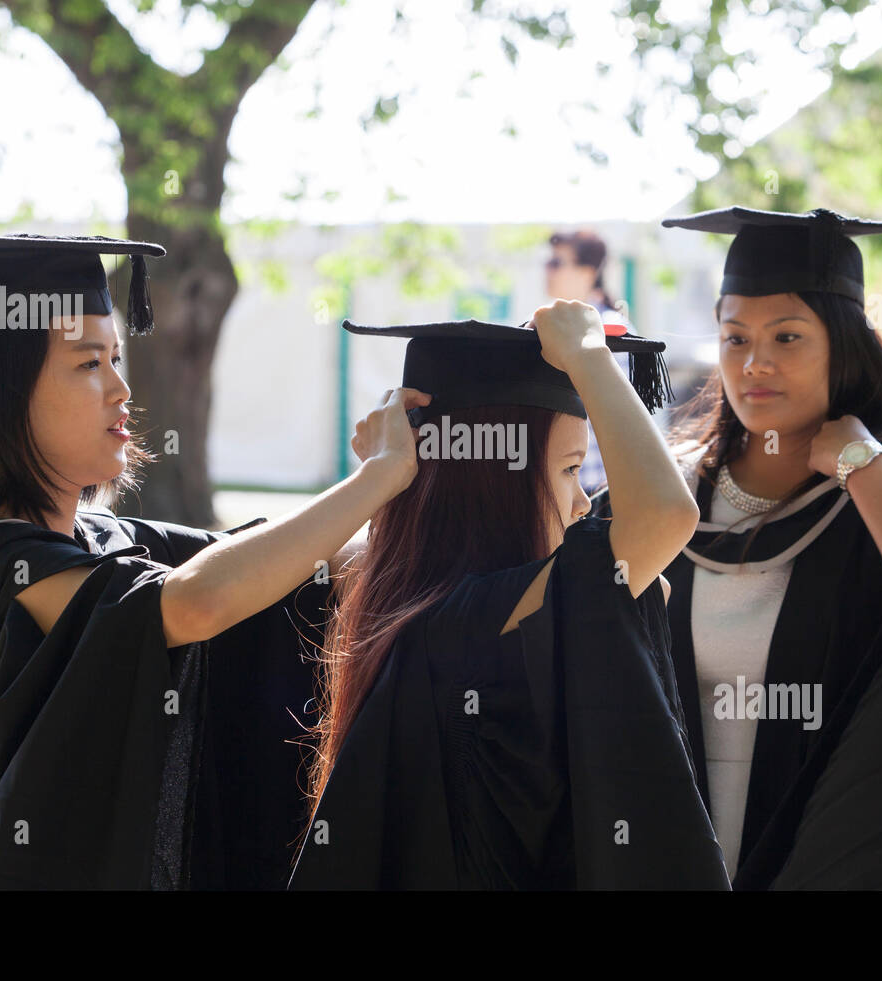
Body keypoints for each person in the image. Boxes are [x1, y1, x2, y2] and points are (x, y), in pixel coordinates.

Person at [0, 226, 426, 889]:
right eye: (87, 363)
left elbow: (271, 566)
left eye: (116, 359)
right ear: (1, 394)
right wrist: (376, 479)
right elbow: (197, 600)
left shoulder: (105, 543)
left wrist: (429, 514)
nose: (120, 391)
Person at [593, 207, 882, 888]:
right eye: (735, 338)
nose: (755, 362)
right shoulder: (665, 498)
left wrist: (862, 464)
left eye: (787, 337)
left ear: (843, 346)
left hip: (836, 860)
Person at [288, 307, 728, 890]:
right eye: (572, 469)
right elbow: (667, 516)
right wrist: (588, 356)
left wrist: (387, 470)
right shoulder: (484, 615)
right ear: (497, 482)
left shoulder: (391, 594)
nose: (583, 502)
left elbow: (646, 583)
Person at [546, 230, 630, 494]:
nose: (547, 270)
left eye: (557, 263)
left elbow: (619, 420)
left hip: (598, 490)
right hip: (557, 487)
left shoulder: (610, 329)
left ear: (587, 272)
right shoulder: (549, 323)